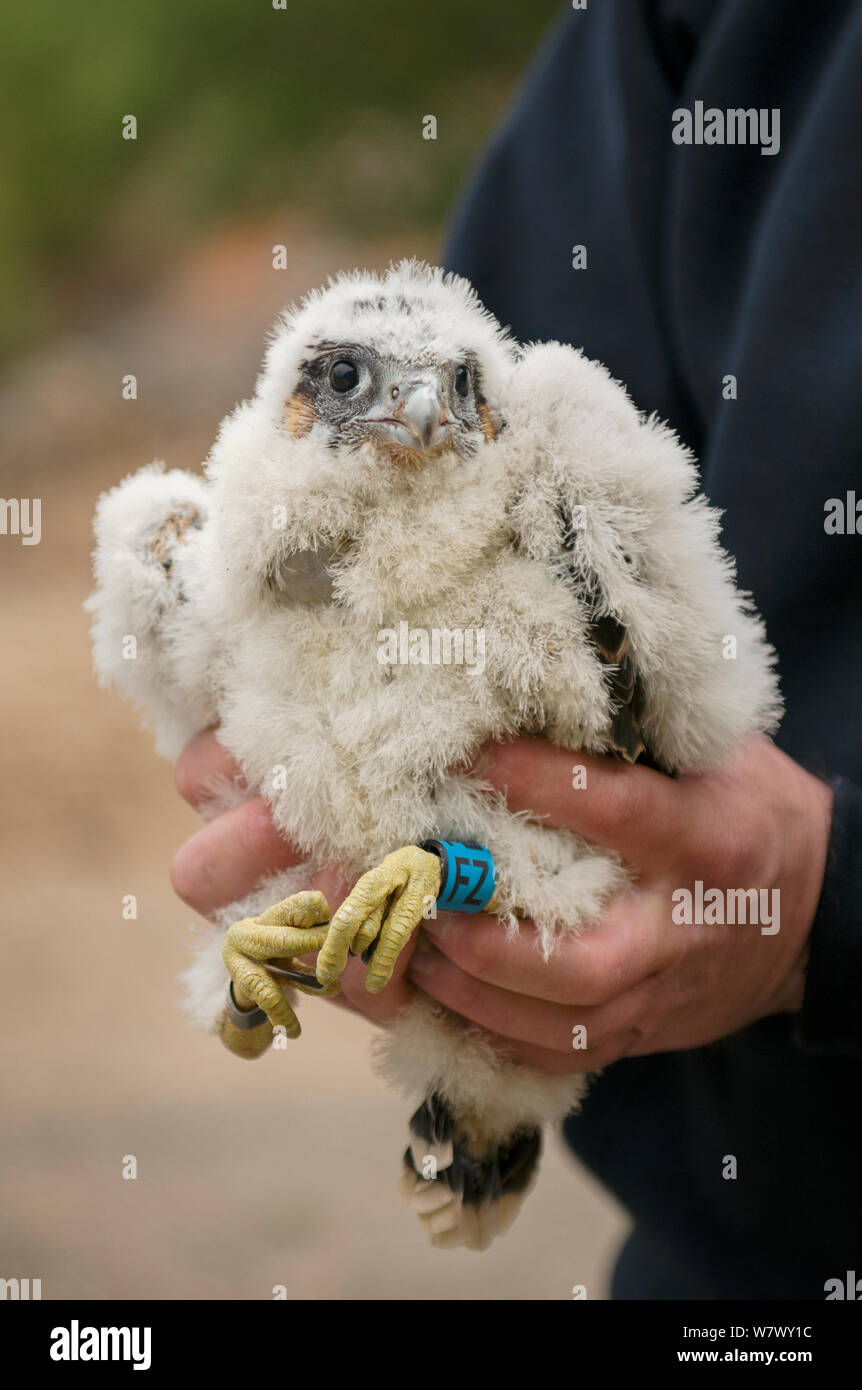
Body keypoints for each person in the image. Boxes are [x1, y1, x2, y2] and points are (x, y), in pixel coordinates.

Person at [170, 0, 862, 1298]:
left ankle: (469, 1036)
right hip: (740, 1269)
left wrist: (832, 903)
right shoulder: (694, 33)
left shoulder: (555, 467)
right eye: (357, 389)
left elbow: (675, 710)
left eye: (456, 398)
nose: (420, 418)